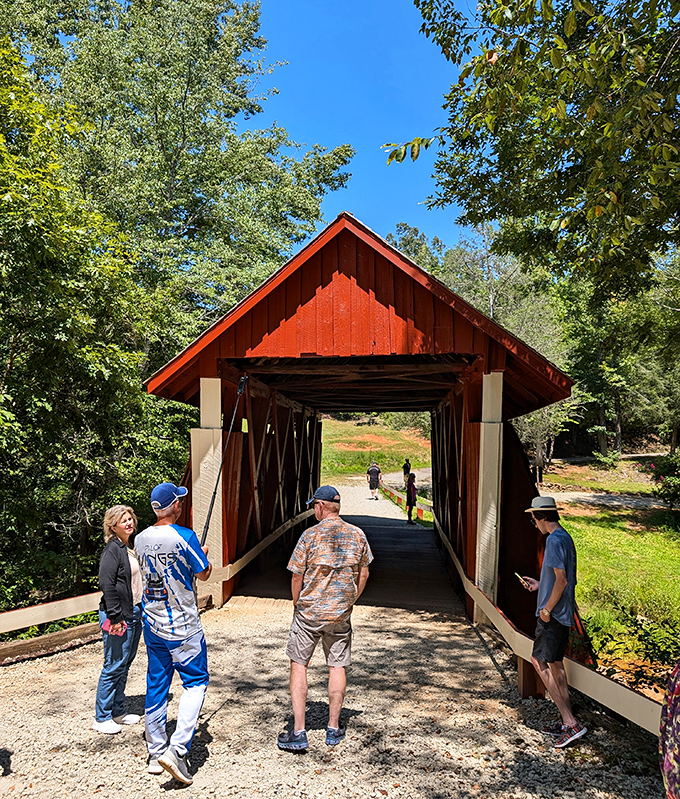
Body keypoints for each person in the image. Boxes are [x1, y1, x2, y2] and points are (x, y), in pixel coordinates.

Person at [278, 485, 373, 752]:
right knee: (337, 666)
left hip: (309, 613)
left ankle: (299, 731)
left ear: (320, 506)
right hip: (339, 614)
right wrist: (350, 600)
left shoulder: (309, 536)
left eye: (313, 506)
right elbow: (364, 573)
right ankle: (333, 728)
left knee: (299, 664)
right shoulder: (357, 534)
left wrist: (297, 602)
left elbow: (296, 576)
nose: (313, 511)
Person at [135, 482, 213, 785]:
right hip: (183, 627)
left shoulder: (140, 539)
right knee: (196, 683)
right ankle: (178, 750)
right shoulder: (185, 536)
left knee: (156, 684)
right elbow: (203, 573)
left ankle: (155, 752)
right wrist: (203, 555)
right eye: (179, 501)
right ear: (175, 506)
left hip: (153, 624)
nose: (181, 504)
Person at [520, 496, 587, 749]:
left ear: (541, 517)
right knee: (556, 664)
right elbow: (559, 579)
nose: (534, 524)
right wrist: (540, 585)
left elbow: (562, 581)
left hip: (553, 615)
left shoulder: (553, 540)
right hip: (563, 613)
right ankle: (567, 723)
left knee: (538, 660)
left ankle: (570, 722)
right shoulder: (565, 537)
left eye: (533, 519)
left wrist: (546, 609)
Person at [93, 505, 144, 734]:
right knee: (113, 664)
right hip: (118, 616)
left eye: (130, 519)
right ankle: (101, 717)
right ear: (113, 527)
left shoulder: (130, 547)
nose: (129, 523)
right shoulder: (112, 550)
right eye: (123, 521)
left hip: (134, 612)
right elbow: (107, 584)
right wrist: (115, 616)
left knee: (124, 663)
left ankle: (118, 710)